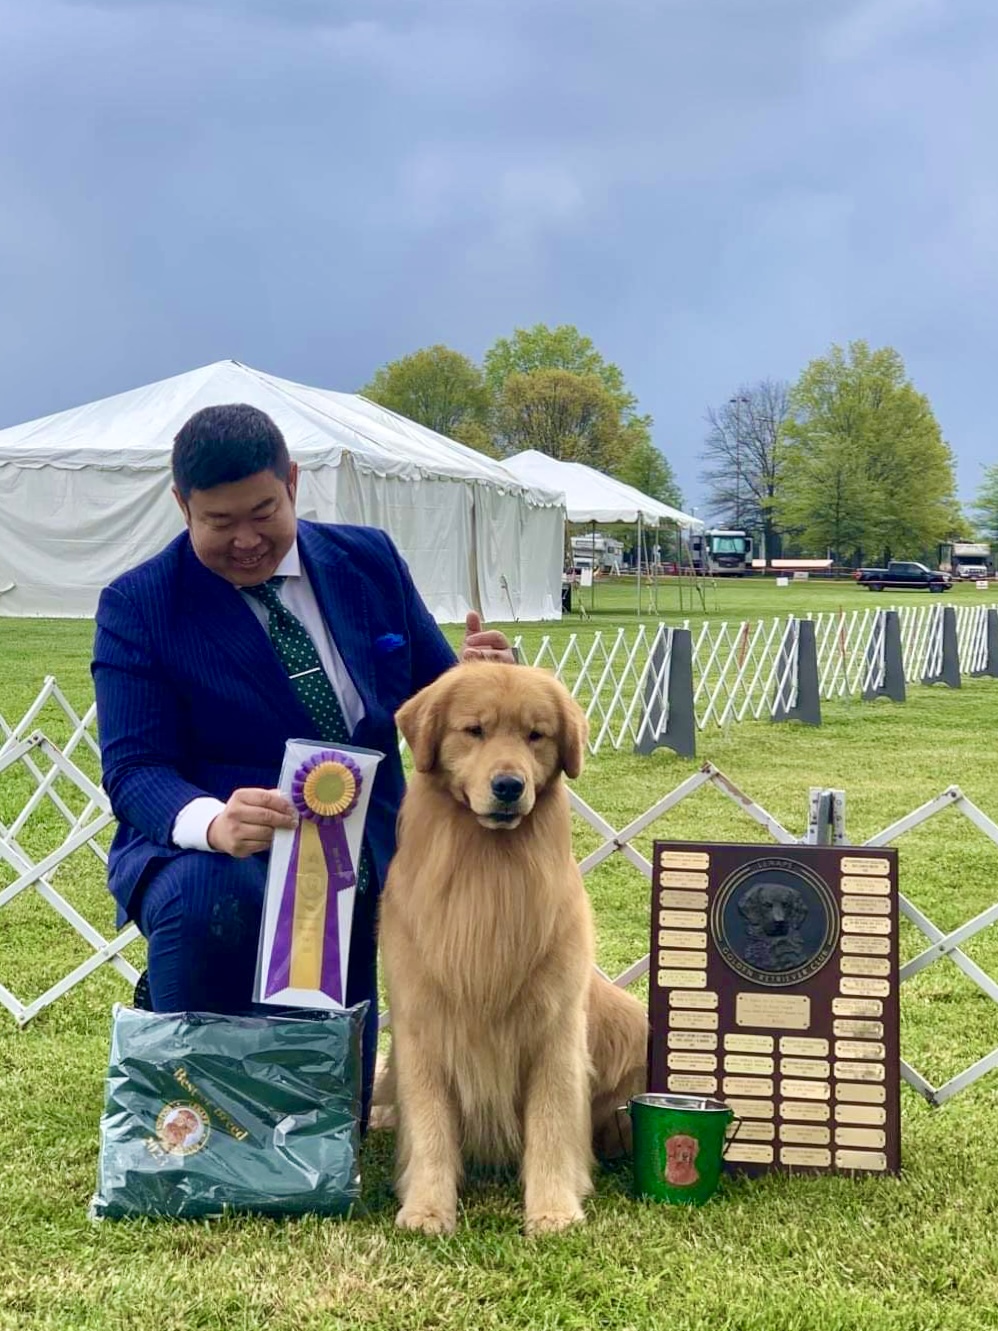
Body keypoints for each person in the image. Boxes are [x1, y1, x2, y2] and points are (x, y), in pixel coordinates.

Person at [91, 402, 513, 1113]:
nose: (248, 540)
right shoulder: (139, 605)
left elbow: (438, 702)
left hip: (371, 840)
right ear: (180, 505)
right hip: (223, 852)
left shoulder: (367, 559)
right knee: (205, 897)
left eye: (263, 511)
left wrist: (481, 677)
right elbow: (135, 768)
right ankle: (198, 1107)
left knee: (331, 1107)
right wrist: (213, 820)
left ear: (292, 481)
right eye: (219, 523)